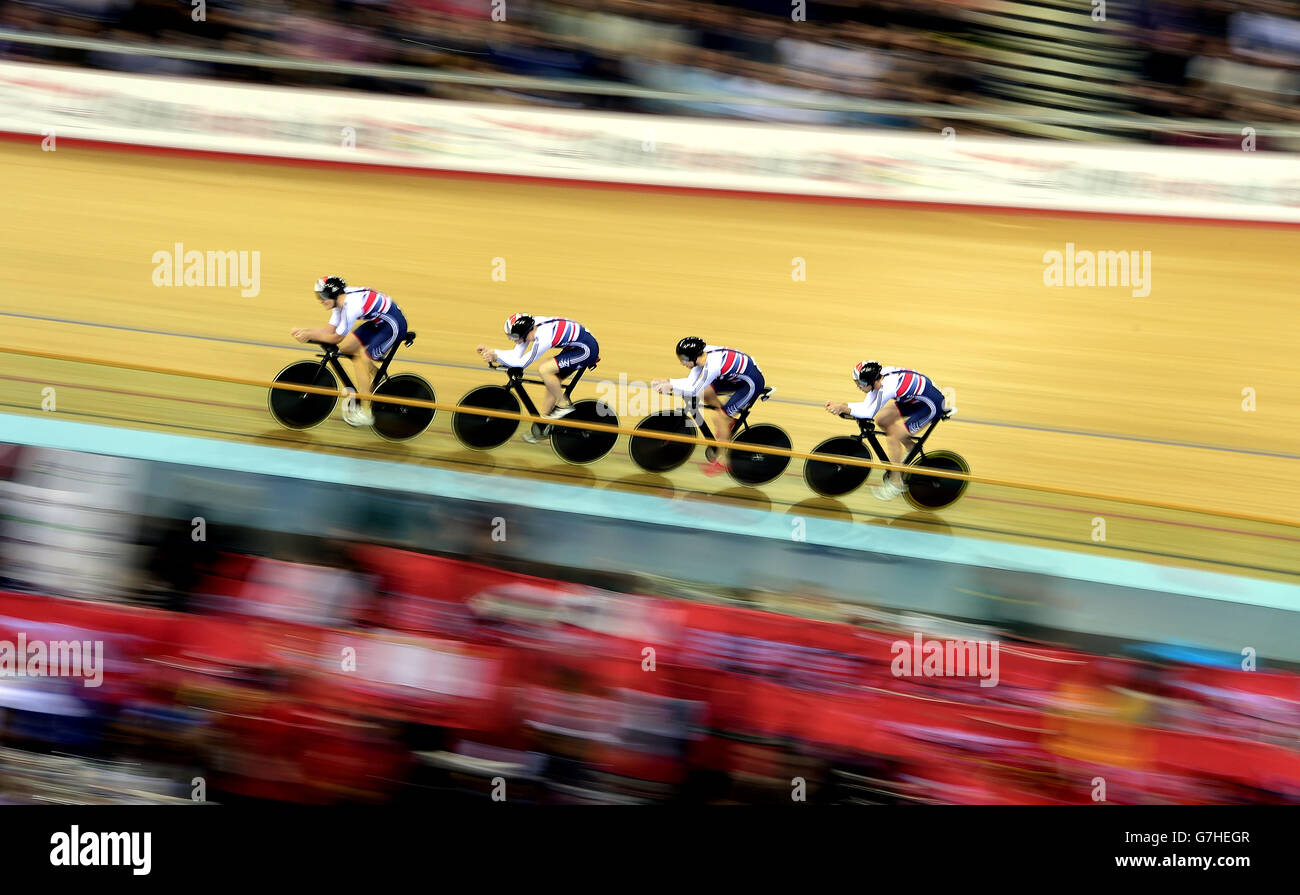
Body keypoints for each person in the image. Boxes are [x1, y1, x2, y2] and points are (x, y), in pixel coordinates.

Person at [291, 276, 409, 426]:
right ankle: (372, 376)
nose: (320, 300)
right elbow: (328, 330)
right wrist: (305, 331)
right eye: (318, 296)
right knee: (347, 348)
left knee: (363, 359)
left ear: (332, 294)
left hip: (393, 325)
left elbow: (335, 338)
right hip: (377, 322)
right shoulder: (338, 302)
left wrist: (308, 335)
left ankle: (366, 413)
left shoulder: (350, 306)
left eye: (322, 296)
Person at [825, 361, 948, 500]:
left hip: (930, 405)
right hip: (913, 400)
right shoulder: (878, 379)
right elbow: (867, 405)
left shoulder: (887, 386)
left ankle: (896, 484)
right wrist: (841, 406)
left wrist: (842, 408)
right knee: (882, 420)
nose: (858, 386)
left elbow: (869, 412)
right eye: (856, 382)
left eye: (861, 382)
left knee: (893, 437)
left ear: (871, 380)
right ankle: (910, 447)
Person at [652, 337, 767, 476]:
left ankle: (722, 461)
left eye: (683, 358)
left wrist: (670, 385)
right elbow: (691, 382)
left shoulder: (712, 365)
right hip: (732, 377)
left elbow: (693, 389)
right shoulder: (702, 355)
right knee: (705, 394)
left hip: (750, 383)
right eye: (680, 358)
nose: (682, 362)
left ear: (693, 356)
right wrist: (668, 381)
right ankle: (728, 421)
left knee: (719, 418)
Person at [476, 314, 600, 442]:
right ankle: (542, 427)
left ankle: (563, 405)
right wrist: (492, 352)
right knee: (552, 381)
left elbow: (521, 363)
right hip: (575, 347)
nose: (512, 339)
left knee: (544, 369)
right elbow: (515, 355)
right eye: (509, 336)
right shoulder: (529, 328)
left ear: (523, 332)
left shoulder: (543, 336)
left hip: (586, 350)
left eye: (513, 336)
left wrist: (495, 357)